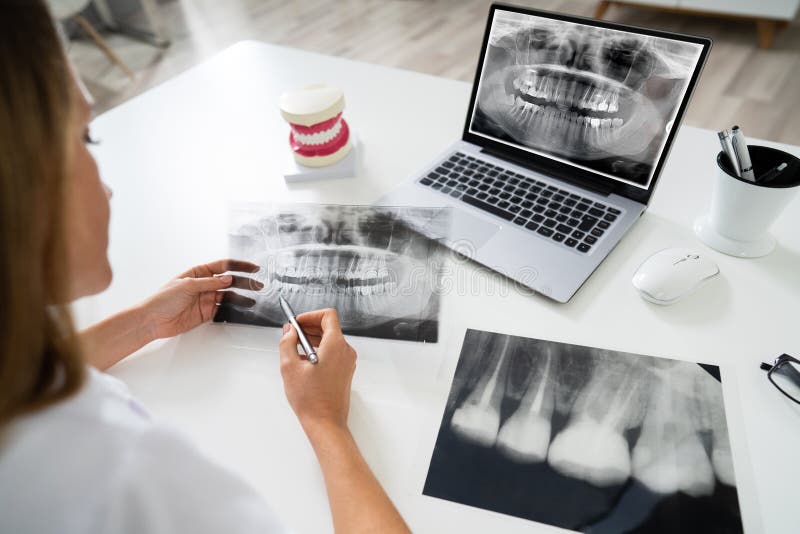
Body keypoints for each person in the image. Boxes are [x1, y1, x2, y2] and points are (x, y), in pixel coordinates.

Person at [0, 2, 409, 533]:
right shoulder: (112, 476)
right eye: (84, 139)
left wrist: (145, 322)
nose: (107, 184)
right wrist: (325, 420)